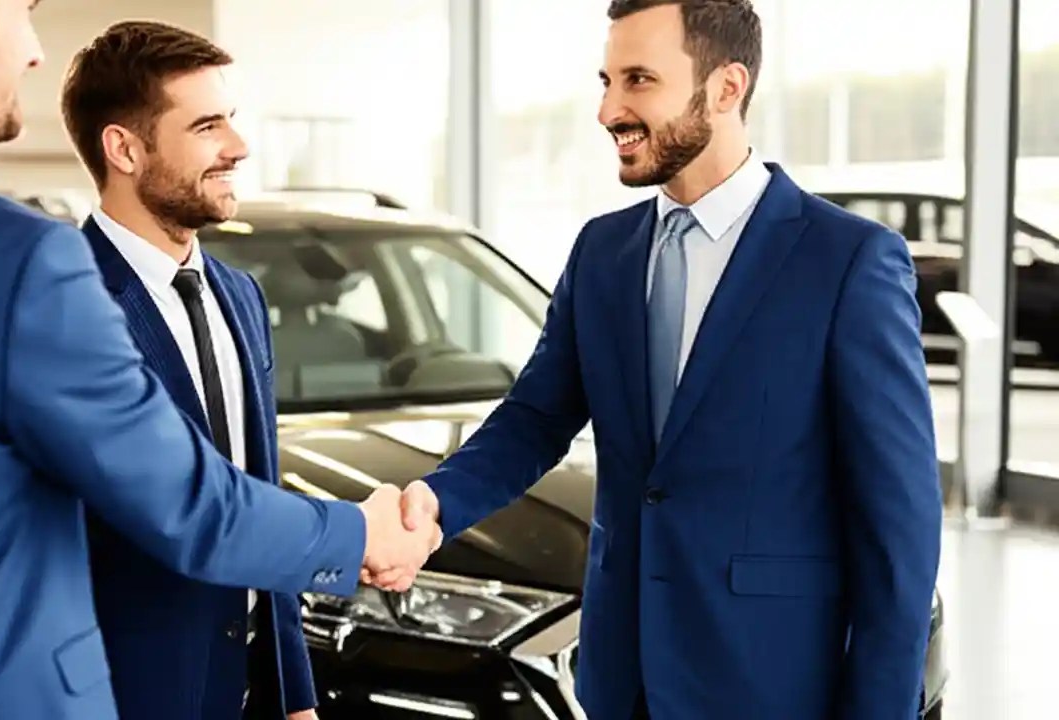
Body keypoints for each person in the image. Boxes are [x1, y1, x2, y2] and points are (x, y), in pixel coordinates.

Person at [0, 2, 436, 719]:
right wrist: (359, 533)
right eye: (22, 12)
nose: (33, 52)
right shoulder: (18, 260)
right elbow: (190, 505)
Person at [383, 1, 944, 718]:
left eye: (638, 80)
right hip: (626, 677)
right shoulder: (602, 252)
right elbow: (535, 418)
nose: (608, 109)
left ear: (726, 87)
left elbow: (899, 522)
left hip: (773, 683)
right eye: (606, 80)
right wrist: (435, 504)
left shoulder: (847, 262)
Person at [59, 21, 390, 720]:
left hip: (252, 689)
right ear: (123, 148)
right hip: (132, 693)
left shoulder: (240, 294)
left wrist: (294, 692)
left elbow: (254, 494)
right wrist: (365, 532)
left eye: (231, 120)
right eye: (207, 125)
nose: (238, 147)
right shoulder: (65, 303)